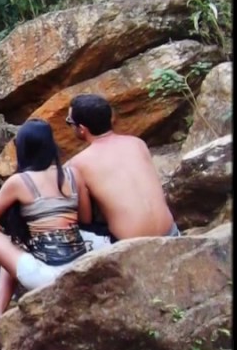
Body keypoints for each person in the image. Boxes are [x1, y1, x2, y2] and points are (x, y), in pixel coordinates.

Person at [0, 118, 94, 327]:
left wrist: (4, 233)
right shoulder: (73, 175)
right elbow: (86, 219)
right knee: (15, 245)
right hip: (79, 264)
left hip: (48, 276)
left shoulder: (19, 182)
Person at [64, 93, 180, 248]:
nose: (69, 125)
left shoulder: (77, 164)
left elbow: (85, 219)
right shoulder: (137, 143)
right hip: (171, 233)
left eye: (69, 122)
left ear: (82, 129)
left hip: (133, 248)